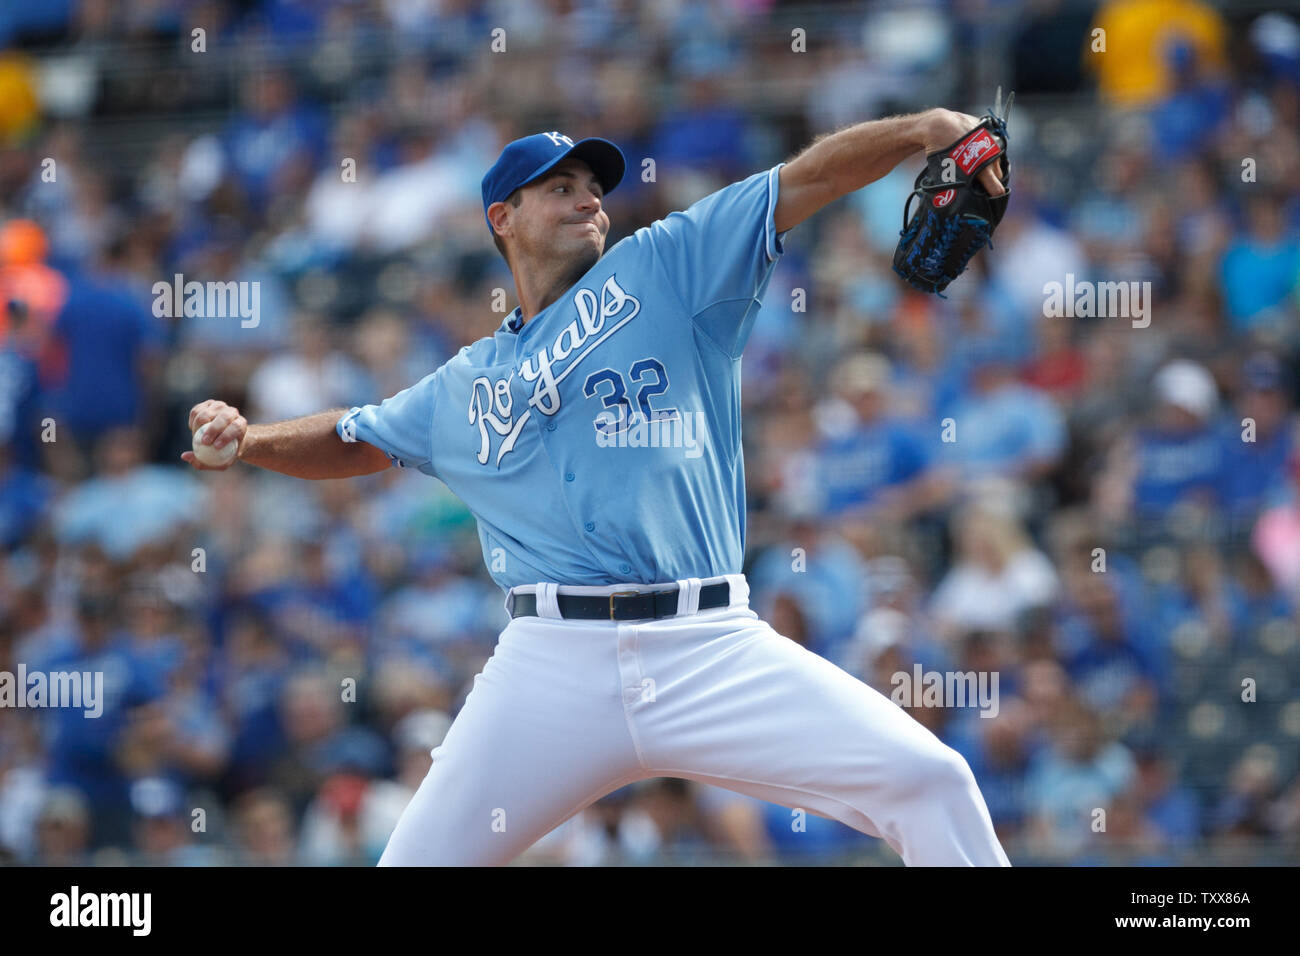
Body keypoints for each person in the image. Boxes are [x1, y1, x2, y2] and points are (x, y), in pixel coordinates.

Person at [183, 115, 1012, 866]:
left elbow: (803, 181)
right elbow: (354, 439)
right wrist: (250, 441)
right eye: (560, 187)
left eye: (593, 188)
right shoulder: (466, 383)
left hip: (707, 646)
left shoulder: (667, 266)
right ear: (501, 217)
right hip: (549, 668)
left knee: (931, 781)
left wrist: (920, 132)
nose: (588, 201)